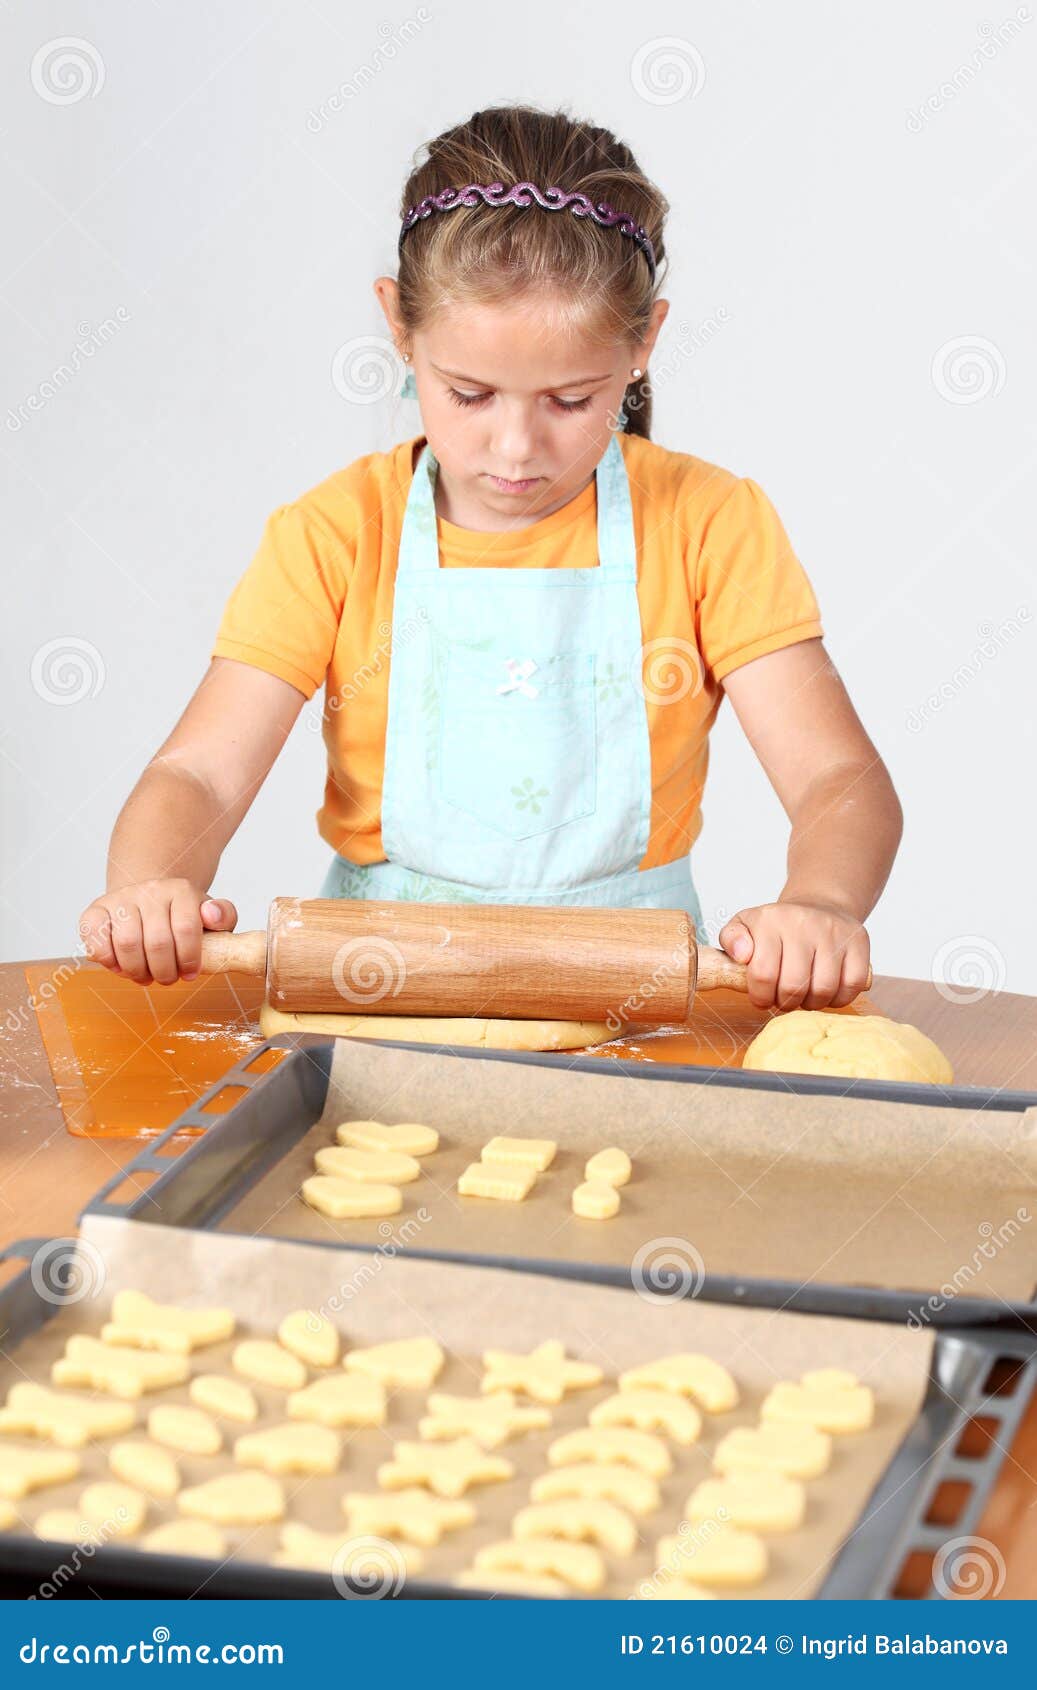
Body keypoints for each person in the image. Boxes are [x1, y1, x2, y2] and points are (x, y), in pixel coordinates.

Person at [80, 105, 900, 1014]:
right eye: (468, 394)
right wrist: (152, 885)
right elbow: (200, 773)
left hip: (631, 1006)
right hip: (380, 998)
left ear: (642, 344)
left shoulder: (708, 521)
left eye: (570, 399)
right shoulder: (338, 532)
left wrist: (820, 904)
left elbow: (838, 779)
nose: (514, 448)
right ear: (398, 325)